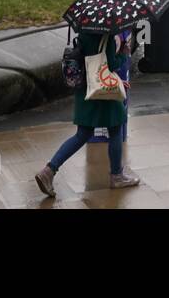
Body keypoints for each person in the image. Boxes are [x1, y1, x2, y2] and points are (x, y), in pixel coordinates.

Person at [35, 29, 139, 196]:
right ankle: (117, 176)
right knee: (115, 129)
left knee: (82, 134)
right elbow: (111, 64)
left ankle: (48, 171)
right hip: (104, 92)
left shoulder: (84, 33)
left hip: (86, 90)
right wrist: (122, 52)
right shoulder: (108, 36)